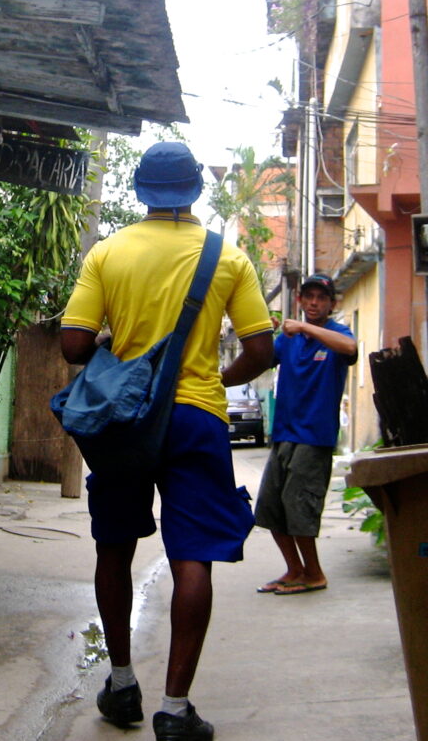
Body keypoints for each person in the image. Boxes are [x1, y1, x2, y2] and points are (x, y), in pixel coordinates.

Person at [59, 142, 274, 741]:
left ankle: (122, 683)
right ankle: (175, 709)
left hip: (125, 421)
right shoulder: (227, 257)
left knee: (114, 546)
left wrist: (120, 345)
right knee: (192, 557)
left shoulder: (108, 252)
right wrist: (216, 378)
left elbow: (73, 346)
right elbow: (261, 350)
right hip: (197, 417)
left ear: (141, 191)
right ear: (195, 192)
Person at [253, 274, 357, 596]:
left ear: (331, 304)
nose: (314, 303)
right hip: (284, 433)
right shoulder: (287, 339)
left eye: (321, 298)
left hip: (315, 437)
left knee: (299, 507)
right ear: (300, 300)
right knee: (271, 508)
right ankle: (294, 569)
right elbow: (260, 360)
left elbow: (351, 348)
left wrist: (305, 327)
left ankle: (314, 573)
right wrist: (261, 331)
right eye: (309, 297)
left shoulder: (336, 334)